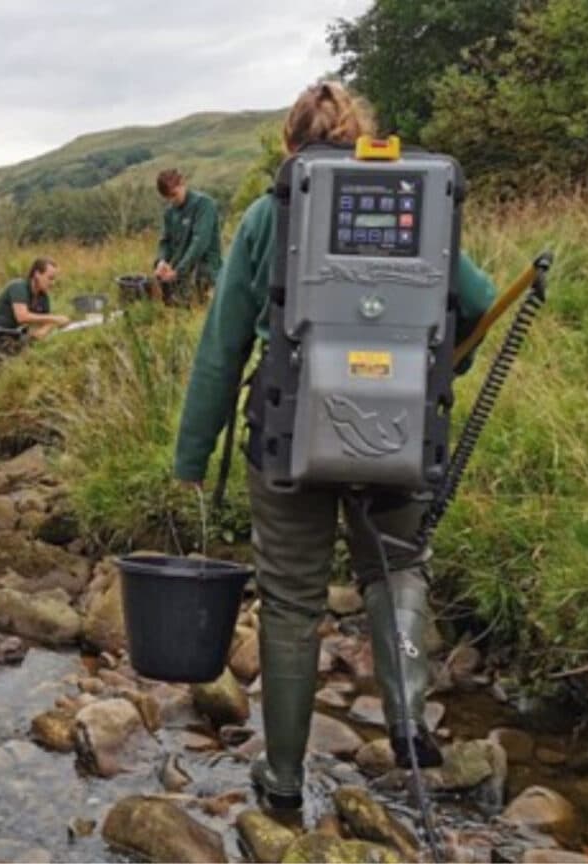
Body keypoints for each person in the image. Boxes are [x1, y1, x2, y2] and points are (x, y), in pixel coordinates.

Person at [171, 81, 499, 810]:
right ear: (361, 135)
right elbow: (477, 305)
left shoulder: (269, 214)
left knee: (290, 603)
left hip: (288, 439)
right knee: (397, 570)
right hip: (402, 439)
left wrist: (193, 457)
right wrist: (437, 370)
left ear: (292, 148)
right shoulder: (424, 203)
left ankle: (283, 781)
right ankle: (410, 722)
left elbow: (223, 346)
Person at [152, 169, 222, 306]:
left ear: (182, 184)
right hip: (179, 279)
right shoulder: (169, 213)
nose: (171, 200)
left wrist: (179, 271)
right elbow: (165, 241)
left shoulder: (204, 205)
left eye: (174, 195)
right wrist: (161, 261)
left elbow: (199, 242)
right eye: (167, 197)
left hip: (204, 274)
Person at [0, 257, 70, 339]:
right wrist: (55, 318)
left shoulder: (43, 297)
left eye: (54, 279)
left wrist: (43, 330)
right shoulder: (18, 287)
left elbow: (46, 319)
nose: (52, 283)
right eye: (50, 278)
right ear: (37, 274)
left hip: (11, 335)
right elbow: (22, 316)